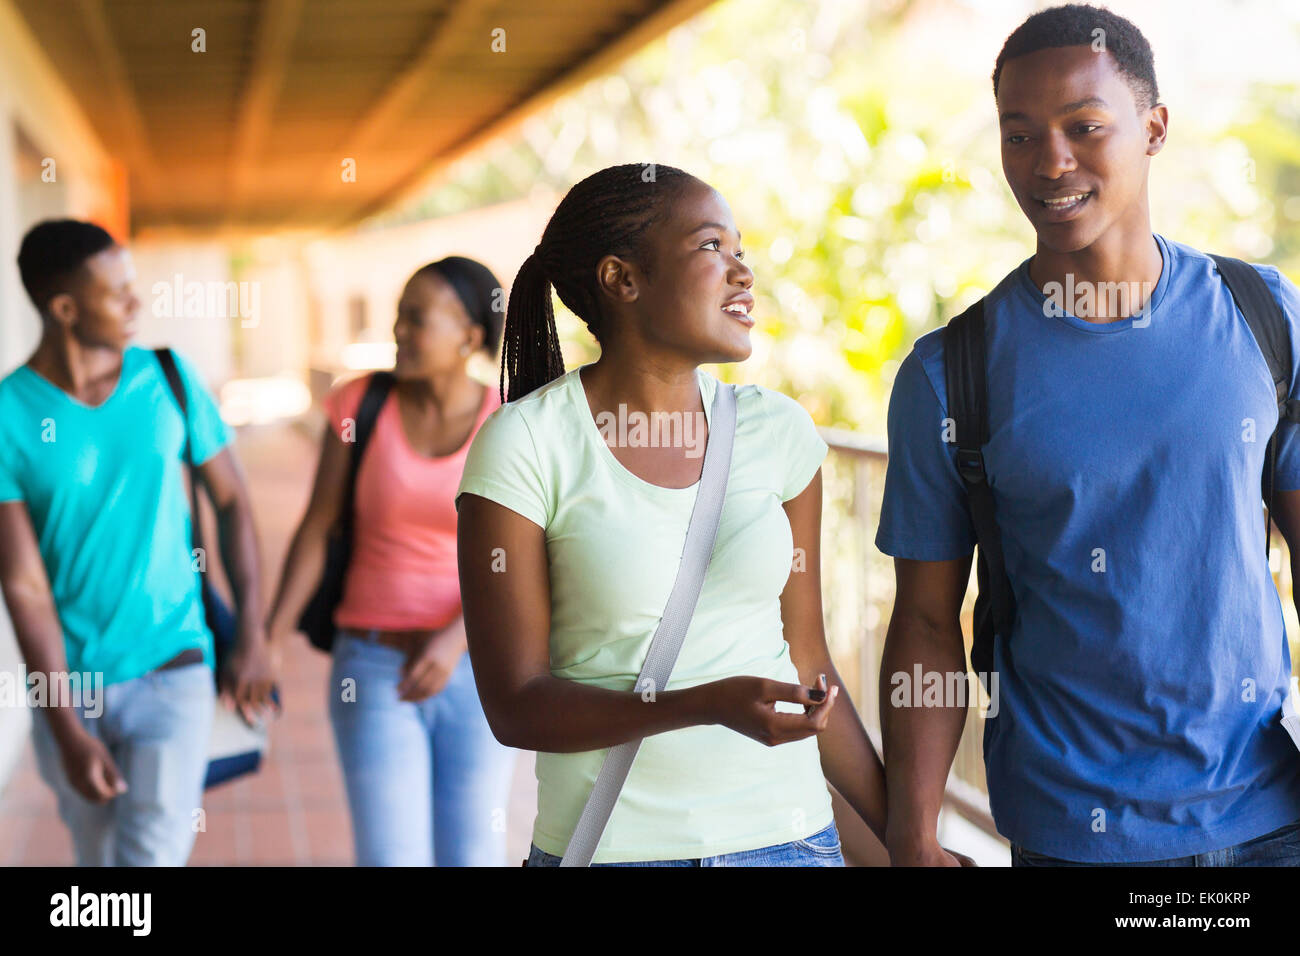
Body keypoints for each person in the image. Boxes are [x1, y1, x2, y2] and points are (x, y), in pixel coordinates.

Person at [877, 3, 1300, 867]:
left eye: (1085, 126)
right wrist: (912, 829)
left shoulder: (1262, 317)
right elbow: (925, 621)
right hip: (1075, 835)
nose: (1051, 161)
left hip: (1271, 815)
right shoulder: (947, 374)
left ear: (1154, 130)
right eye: (1020, 134)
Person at [456, 162, 899, 867]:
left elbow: (810, 662)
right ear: (621, 278)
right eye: (710, 247)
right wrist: (699, 705)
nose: (742, 273)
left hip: (789, 841)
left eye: (741, 251)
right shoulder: (526, 444)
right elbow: (515, 705)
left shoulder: (778, 432)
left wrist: (908, 842)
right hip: (611, 849)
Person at [0, 218, 274, 866]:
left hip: (173, 664)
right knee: (97, 865)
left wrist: (256, 635)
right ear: (64, 308)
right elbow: (24, 584)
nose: (136, 303)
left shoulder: (168, 378)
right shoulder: (9, 414)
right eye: (116, 291)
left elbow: (233, 503)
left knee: (149, 859)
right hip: (73, 685)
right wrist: (66, 727)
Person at [267, 256, 515, 866]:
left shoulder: (510, 418)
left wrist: (455, 639)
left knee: (472, 854)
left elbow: (532, 558)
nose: (399, 332)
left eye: (416, 319)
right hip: (372, 666)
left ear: (470, 336)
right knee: (389, 857)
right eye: (398, 318)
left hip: (478, 669)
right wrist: (265, 640)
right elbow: (318, 526)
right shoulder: (358, 405)